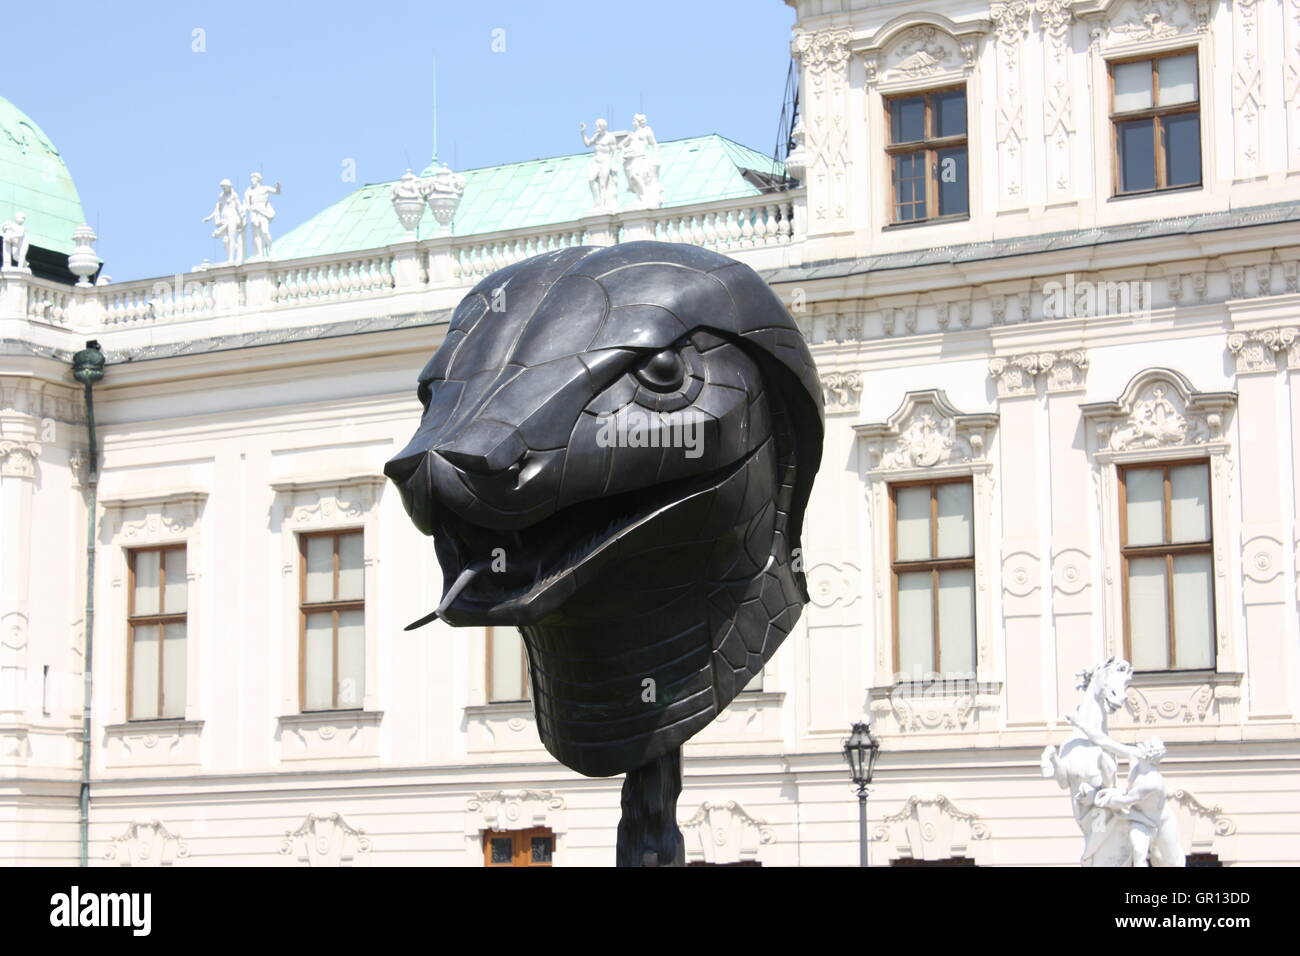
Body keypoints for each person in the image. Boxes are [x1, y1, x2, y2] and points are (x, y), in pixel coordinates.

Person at [1066, 714, 1185, 867]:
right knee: (1138, 850)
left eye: (1146, 746)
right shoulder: (1135, 756)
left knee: (1172, 861)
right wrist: (1081, 724)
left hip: (1159, 821)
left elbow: (1124, 801)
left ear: (1149, 755)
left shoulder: (1151, 782)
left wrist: (1098, 797)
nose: (1142, 745)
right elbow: (1105, 742)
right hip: (1139, 818)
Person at [580, 119, 619, 212]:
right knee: (590, 180)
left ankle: (602, 205)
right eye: (596, 126)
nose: (596, 128)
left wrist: (613, 165)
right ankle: (597, 202)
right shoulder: (596, 136)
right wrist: (583, 133)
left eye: (598, 126)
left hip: (606, 161)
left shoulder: (610, 137)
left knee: (602, 184)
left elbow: (614, 152)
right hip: (596, 160)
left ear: (603, 127)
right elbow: (588, 144)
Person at [202, 181, 244, 265]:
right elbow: (217, 209)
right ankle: (231, 255)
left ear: (229, 186)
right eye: (222, 187)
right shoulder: (221, 196)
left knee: (231, 238)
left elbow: (239, 206)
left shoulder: (233, 195)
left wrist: (242, 216)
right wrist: (209, 217)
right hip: (224, 219)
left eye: (225, 186)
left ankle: (231, 258)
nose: (223, 188)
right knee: (225, 241)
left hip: (232, 217)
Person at [243, 172, 282, 258]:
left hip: (263, 212)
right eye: (251, 178)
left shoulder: (265, 188)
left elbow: (277, 192)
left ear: (258, 179)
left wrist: (278, 187)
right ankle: (259, 253)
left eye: (254, 178)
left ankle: (271, 249)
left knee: (265, 231)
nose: (252, 180)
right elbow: (246, 203)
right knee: (256, 234)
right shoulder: (249, 191)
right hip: (253, 212)